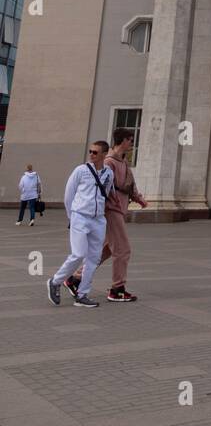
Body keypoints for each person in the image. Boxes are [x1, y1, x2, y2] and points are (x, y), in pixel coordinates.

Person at [63, 129, 147, 302]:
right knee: (123, 250)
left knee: (106, 250)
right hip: (111, 211)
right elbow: (102, 184)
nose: (132, 143)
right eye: (130, 140)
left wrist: (138, 199)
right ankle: (118, 289)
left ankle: (75, 279)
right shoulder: (109, 162)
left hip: (119, 209)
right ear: (122, 141)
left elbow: (130, 183)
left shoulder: (123, 161)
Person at [46, 142, 114, 309]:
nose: (91, 154)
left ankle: (82, 294)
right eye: (90, 151)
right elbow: (69, 195)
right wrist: (72, 217)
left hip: (98, 219)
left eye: (95, 152)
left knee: (93, 258)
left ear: (104, 154)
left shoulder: (109, 173)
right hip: (80, 216)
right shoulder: (80, 171)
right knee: (78, 253)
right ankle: (55, 281)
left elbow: (107, 192)